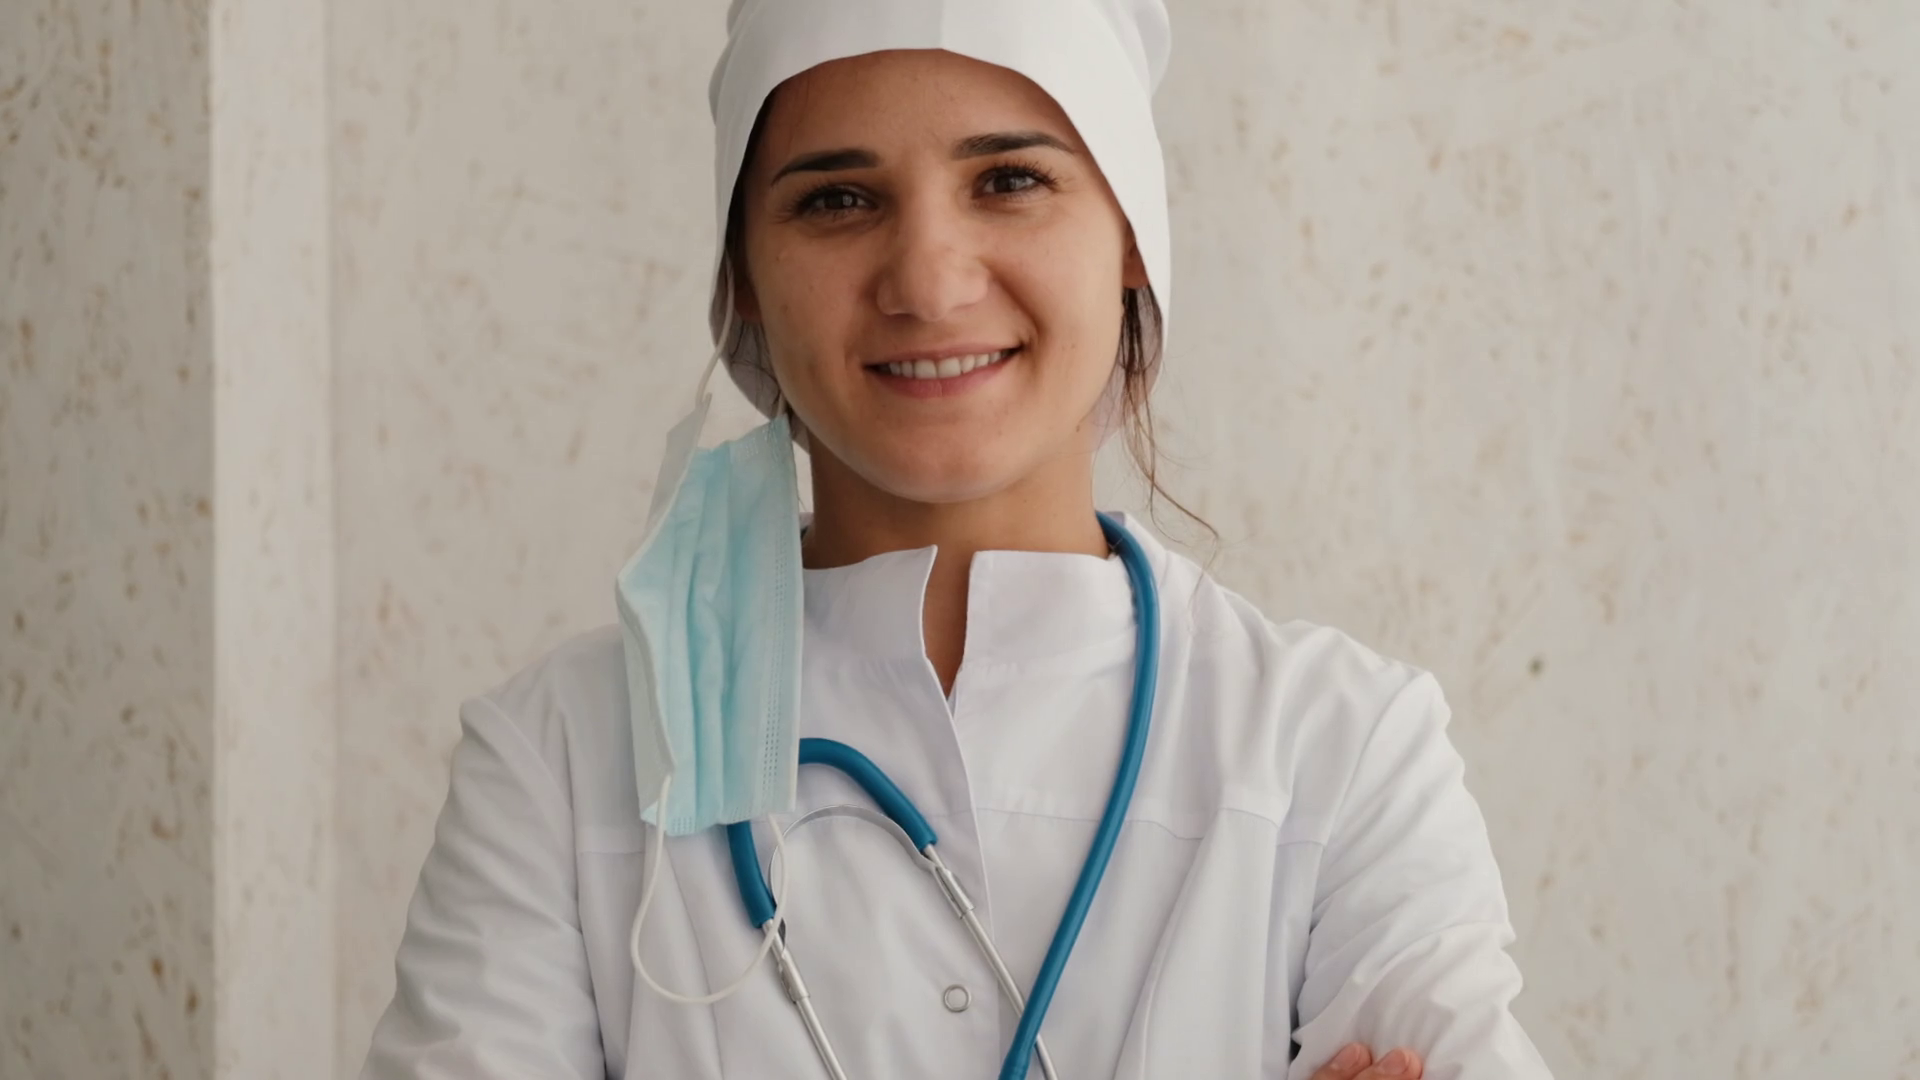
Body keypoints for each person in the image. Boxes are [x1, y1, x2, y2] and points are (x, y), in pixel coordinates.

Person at [359, 2, 1555, 1078]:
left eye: (1010, 181)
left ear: (1132, 232)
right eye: (837, 199)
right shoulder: (561, 763)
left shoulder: (1342, 751)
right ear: (744, 281)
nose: (928, 280)